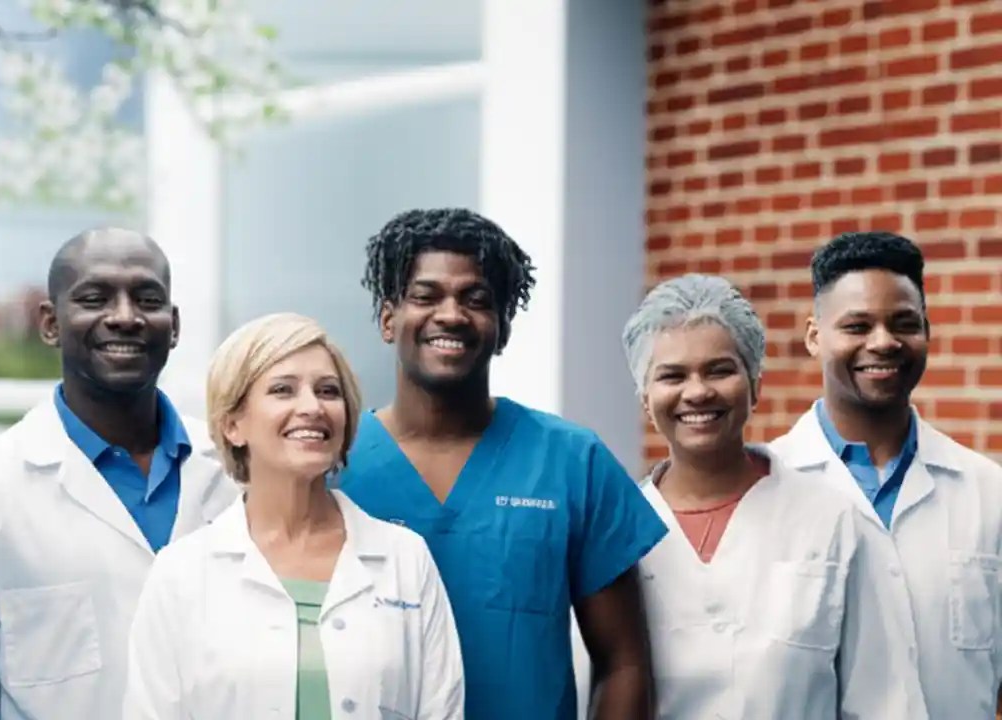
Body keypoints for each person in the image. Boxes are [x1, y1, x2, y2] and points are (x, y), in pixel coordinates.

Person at [337, 207, 666, 720]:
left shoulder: (572, 462)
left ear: (504, 327)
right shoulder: (333, 465)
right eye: (426, 296)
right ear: (387, 319)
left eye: (477, 300)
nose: (451, 314)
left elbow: (624, 663)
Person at [0, 228, 238, 720]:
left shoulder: (239, 475)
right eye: (94, 298)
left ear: (173, 325)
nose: (124, 316)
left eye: (147, 298)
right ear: (50, 323)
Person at [123, 312, 464, 719]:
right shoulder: (181, 573)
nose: (312, 407)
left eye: (328, 391)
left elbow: (440, 711)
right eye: (283, 390)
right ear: (233, 425)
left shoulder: (405, 560)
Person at [622, 273, 928, 719]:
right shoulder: (615, 534)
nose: (698, 391)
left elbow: (885, 701)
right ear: (647, 400)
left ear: (755, 387)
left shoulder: (832, 521)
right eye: (672, 376)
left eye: (720, 370)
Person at [770, 231, 1002, 719]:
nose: (884, 342)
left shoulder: (988, 491)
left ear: (927, 332)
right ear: (815, 336)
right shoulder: (765, 487)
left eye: (904, 323)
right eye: (856, 326)